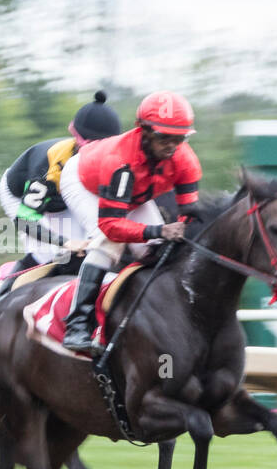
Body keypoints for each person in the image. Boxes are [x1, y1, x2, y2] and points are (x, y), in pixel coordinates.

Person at [56, 90, 202, 355]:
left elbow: (188, 214)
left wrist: (177, 231)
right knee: (109, 244)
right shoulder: (120, 161)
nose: (172, 145)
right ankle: (77, 323)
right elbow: (111, 226)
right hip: (83, 181)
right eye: (164, 137)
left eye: (179, 138)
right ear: (143, 130)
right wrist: (160, 229)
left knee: (159, 249)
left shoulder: (187, 162)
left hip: (134, 190)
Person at [0, 90, 121, 285]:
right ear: (77, 138)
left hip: (62, 198)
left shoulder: (116, 160)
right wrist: (64, 242)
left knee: (86, 251)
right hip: (20, 194)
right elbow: (25, 220)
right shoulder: (50, 169)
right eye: (93, 147)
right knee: (45, 255)